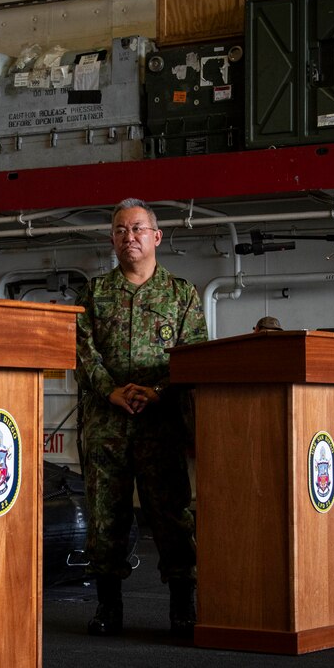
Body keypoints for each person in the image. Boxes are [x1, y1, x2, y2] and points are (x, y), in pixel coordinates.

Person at [74, 198, 208, 638]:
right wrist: (110, 389)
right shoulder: (93, 294)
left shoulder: (181, 295)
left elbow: (193, 356)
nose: (127, 238)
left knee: (171, 515)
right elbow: (81, 351)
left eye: (136, 229)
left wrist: (158, 391)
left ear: (156, 236)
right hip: (106, 425)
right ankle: (108, 608)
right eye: (119, 231)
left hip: (161, 424)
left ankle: (182, 610)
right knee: (105, 516)